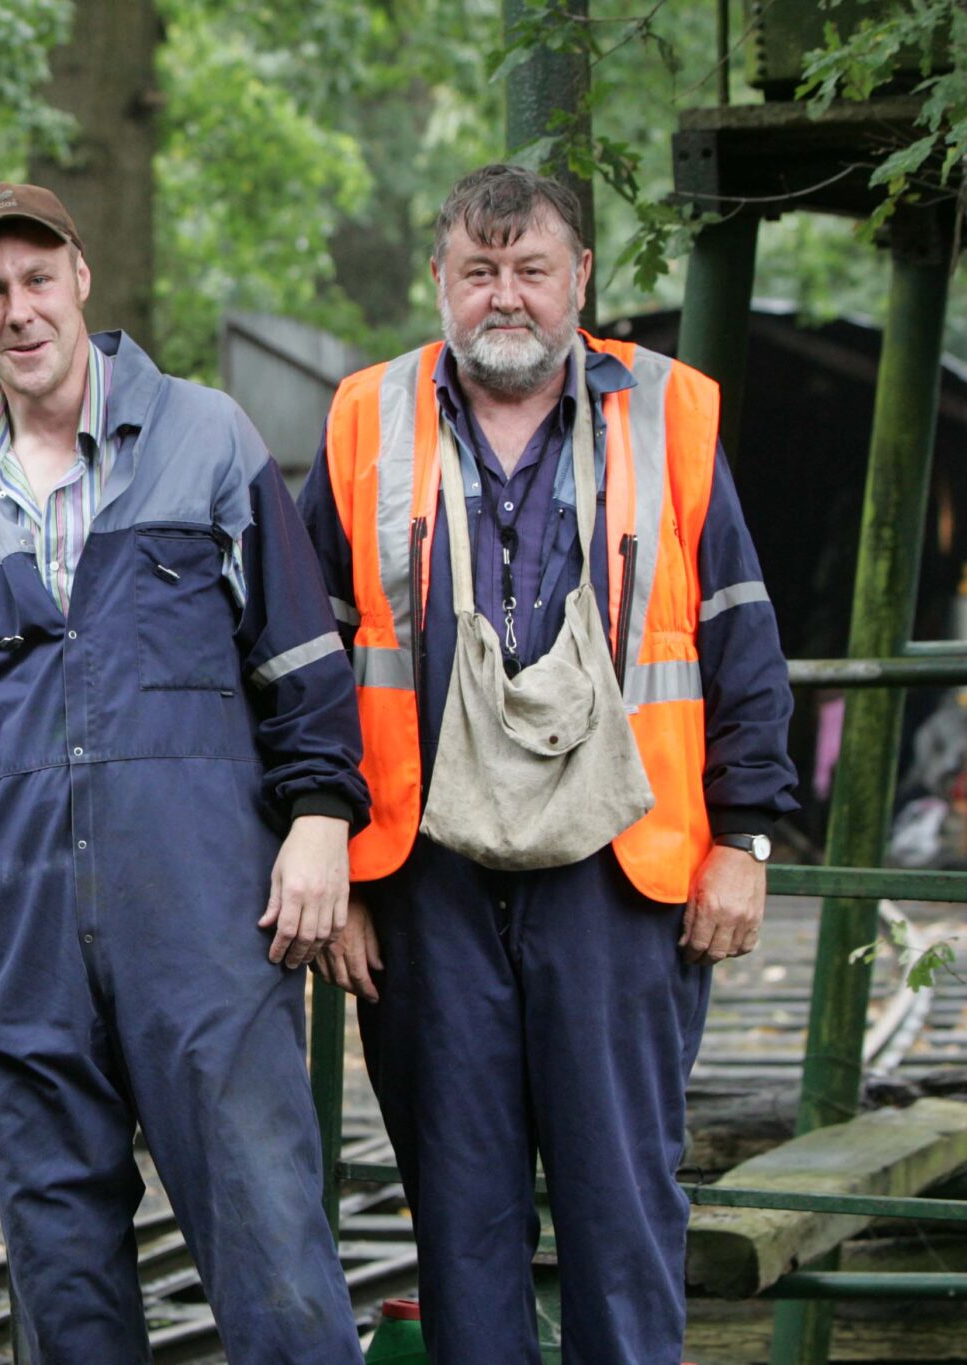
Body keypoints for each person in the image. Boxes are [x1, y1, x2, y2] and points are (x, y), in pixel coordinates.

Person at [0, 182, 365, 1362]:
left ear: (80, 276)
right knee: (64, 1285)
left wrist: (320, 815)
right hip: (17, 944)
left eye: (37, 280)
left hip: (200, 927)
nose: (16, 311)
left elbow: (299, 658)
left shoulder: (206, 439)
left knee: (274, 1251)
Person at [300, 163, 796, 1363]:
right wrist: (346, 865)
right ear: (438, 283)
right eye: (477, 271)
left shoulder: (665, 412)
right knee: (458, 1216)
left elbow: (734, 624)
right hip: (424, 880)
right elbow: (308, 655)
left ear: (579, 278)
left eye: (529, 269)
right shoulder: (366, 417)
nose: (503, 297)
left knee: (619, 1209)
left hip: (620, 877)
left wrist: (744, 838)